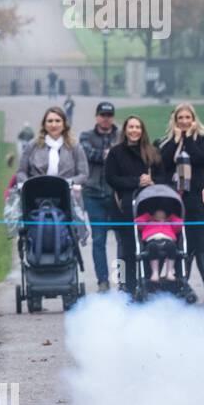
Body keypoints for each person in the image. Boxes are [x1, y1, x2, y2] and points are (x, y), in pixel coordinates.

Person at [157, 103, 204, 304]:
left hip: (197, 198)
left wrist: (187, 138)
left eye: (188, 117)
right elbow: (164, 162)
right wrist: (177, 140)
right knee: (180, 242)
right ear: (175, 120)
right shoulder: (167, 142)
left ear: (194, 119)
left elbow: (199, 158)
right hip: (175, 200)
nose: (184, 121)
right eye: (181, 118)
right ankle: (182, 286)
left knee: (199, 241)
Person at [105, 115, 165, 295]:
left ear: (142, 130)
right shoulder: (115, 153)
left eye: (137, 127)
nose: (134, 130)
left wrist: (152, 181)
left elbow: (163, 177)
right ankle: (125, 285)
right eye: (131, 127)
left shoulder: (152, 152)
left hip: (148, 208)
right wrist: (136, 181)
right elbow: (111, 178)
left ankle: (150, 284)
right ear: (125, 130)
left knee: (150, 245)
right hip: (124, 207)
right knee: (125, 249)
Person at [79, 102, 123, 291]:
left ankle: (121, 278)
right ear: (97, 116)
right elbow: (87, 154)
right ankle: (103, 281)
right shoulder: (86, 136)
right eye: (103, 115)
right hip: (94, 193)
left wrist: (109, 155)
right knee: (99, 240)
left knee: (122, 239)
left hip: (116, 194)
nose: (106, 119)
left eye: (109, 115)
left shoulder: (120, 135)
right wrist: (110, 155)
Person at [16, 106, 89, 186]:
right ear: (44, 124)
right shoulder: (32, 145)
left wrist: (67, 183)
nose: (53, 125)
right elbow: (21, 172)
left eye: (58, 121)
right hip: (36, 194)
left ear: (64, 124)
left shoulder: (75, 147)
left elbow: (83, 175)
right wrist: (29, 184)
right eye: (50, 121)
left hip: (66, 194)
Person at [135, 205, 182, 283]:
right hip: (152, 240)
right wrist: (148, 217)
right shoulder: (149, 222)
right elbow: (138, 223)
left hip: (167, 240)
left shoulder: (169, 222)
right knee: (152, 247)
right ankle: (155, 272)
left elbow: (179, 225)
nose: (160, 214)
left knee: (172, 247)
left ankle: (169, 272)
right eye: (157, 213)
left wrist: (170, 218)